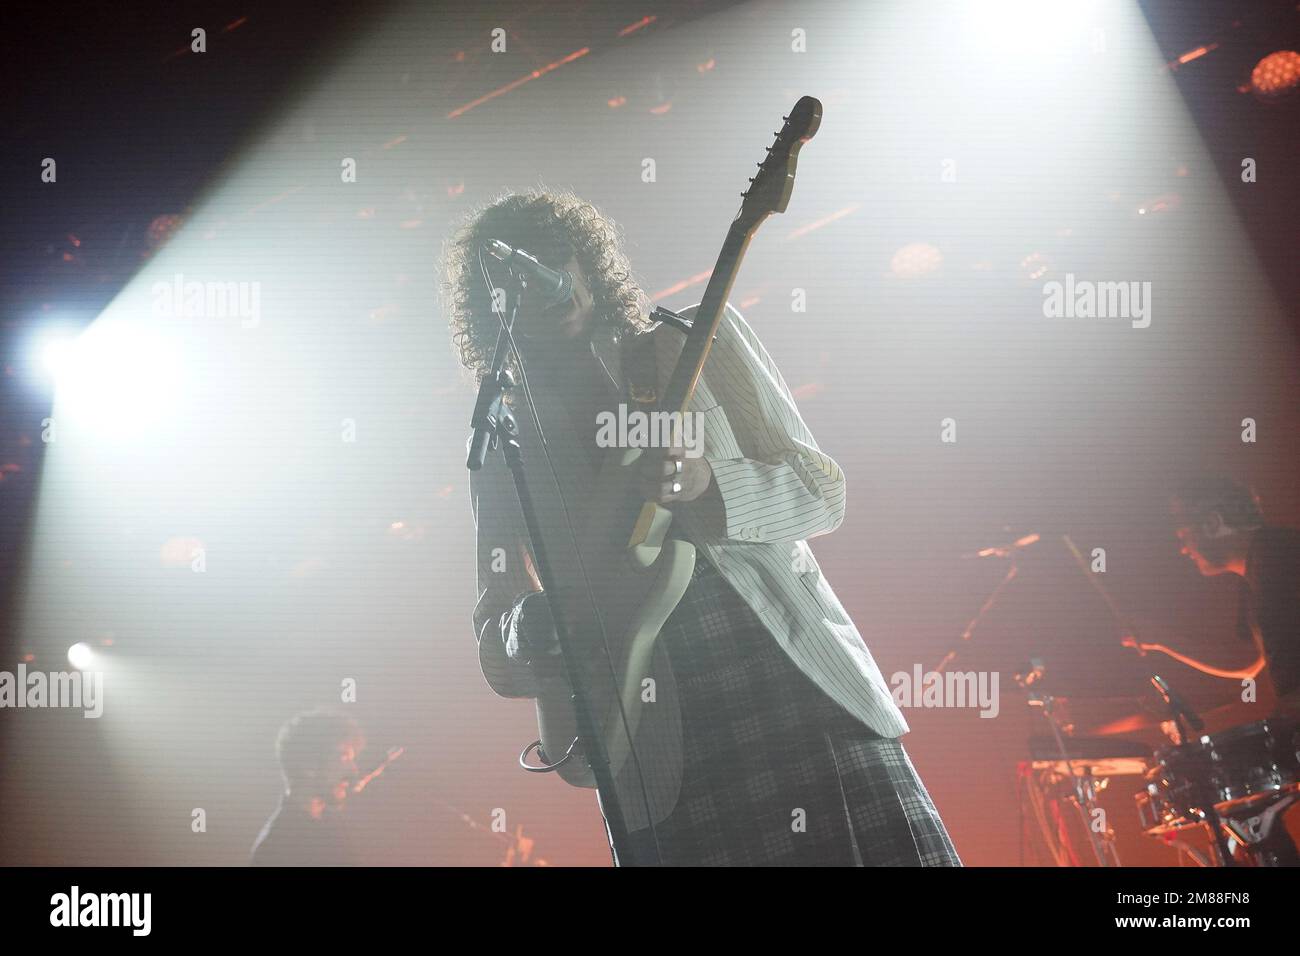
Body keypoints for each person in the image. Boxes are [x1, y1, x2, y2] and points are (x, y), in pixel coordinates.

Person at [443, 187, 960, 866]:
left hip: (798, 690)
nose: (544, 277)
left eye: (552, 254)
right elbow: (497, 615)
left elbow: (820, 492)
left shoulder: (690, 344)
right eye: (517, 272)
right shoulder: (507, 435)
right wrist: (533, 631)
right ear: (494, 312)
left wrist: (709, 489)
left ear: (585, 261)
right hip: (654, 751)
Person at [1126, 475, 1300, 717]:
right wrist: (1159, 639)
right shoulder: (1260, 566)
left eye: (1183, 535)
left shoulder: (1280, 564)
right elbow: (1245, 660)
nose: (1183, 549)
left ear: (1212, 523)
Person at [250, 709, 364, 866]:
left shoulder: (333, 825)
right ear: (308, 766)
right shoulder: (275, 849)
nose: (353, 770)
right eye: (343, 757)